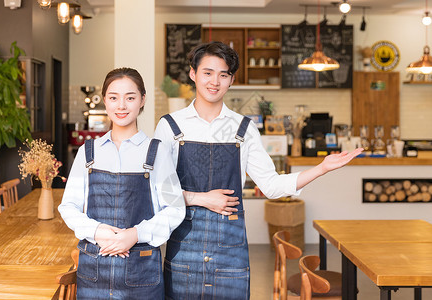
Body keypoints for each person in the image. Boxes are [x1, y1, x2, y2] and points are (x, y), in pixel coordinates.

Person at [154, 41, 363, 299]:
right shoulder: (170, 126)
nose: (214, 82)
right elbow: (158, 189)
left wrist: (321, 168)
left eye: (223, 74)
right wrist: (202, 199)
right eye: (207, 73)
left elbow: (272, 186)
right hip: (184, 245)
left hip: (230, 247)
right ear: (193, 74)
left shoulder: (243, 128)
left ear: (232, 80)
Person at [59, 67, 185, 299]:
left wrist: (135, 234)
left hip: (142, 275)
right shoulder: (88, 152)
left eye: (130, 98)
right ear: (105, 101)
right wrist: (96, 231)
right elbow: (68, 207)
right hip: (93, 272)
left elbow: (176, 209)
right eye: (114, 98)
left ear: (142, 100)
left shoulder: (157, 153)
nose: (121, 106)